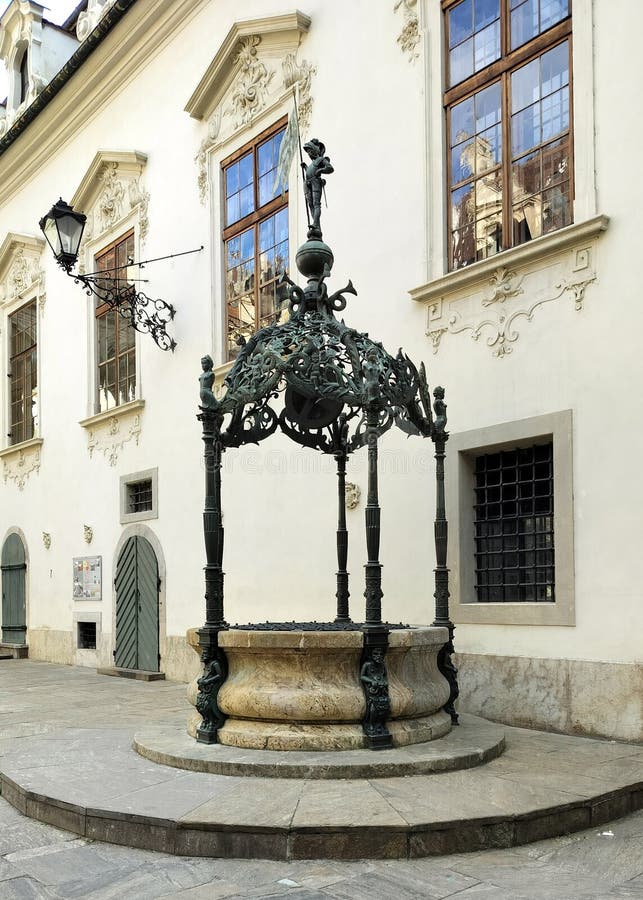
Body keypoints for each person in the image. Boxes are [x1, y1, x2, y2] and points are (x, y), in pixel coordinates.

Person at [301, 138, 334, 237]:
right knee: (310, 205)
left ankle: (315, 223)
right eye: (308, 152)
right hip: (308, 183)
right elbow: (310, 171)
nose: (309, 154)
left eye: (310, 151)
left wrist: (320, 171)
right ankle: (316, 224)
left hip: (316, 182)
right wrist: (305, 167)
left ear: (315, 150)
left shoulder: (321, 159)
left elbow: (330, 168)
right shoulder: (312, 163)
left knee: (316, 205)